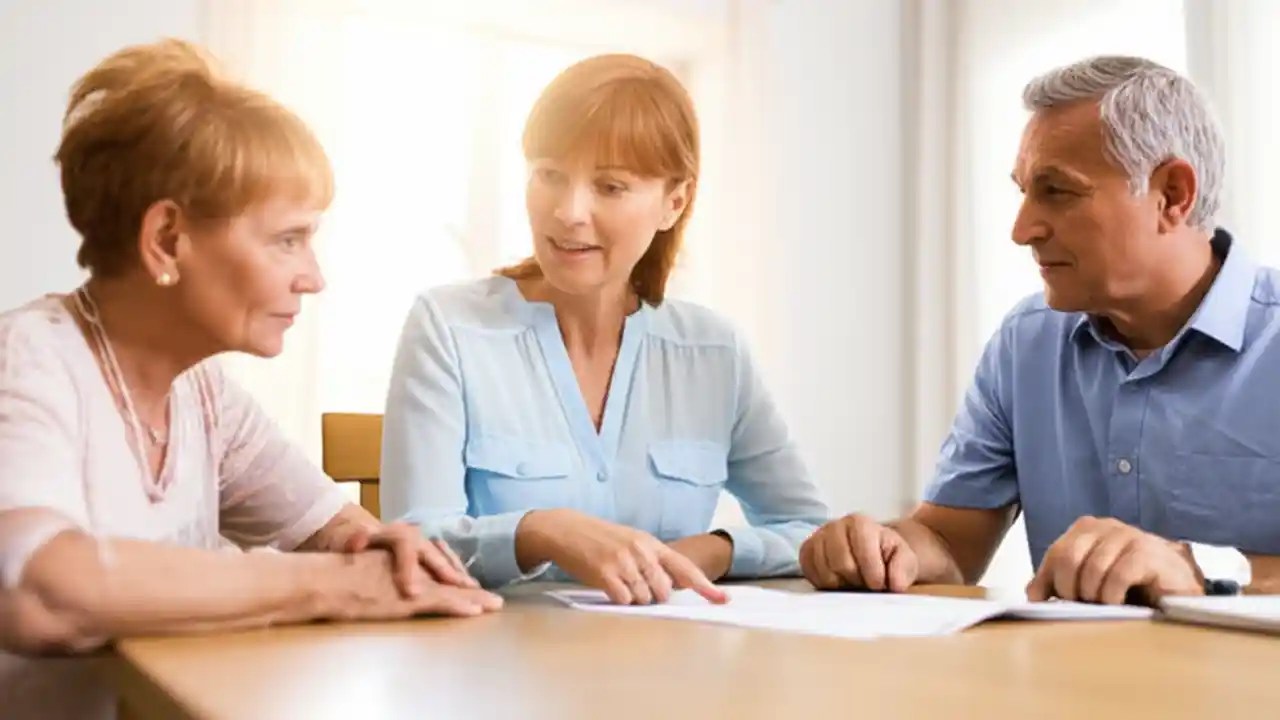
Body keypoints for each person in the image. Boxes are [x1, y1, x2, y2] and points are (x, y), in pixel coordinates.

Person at [0, 39, 501, 719]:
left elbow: (332, 528)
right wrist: (331, 586)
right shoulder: (29, 357)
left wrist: (375, 548)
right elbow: (37, 590)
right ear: (167, 240)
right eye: (287, 239)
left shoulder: (202, 396)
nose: (313, 276)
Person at [801, 55, 1280, 604]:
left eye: (1058, 191)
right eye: (1024, 191)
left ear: (1171, 195)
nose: (1022, 229)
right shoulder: (1026, 344)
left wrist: (1202, 569)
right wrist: (885, 549)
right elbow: (949, 543)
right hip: (1063, 685)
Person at [380, 54, 829, 605]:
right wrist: (542, 531)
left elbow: (807, 530)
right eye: (549, 175)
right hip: (492, 673)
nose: (568, 212)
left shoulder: (715, 352)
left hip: (666, 670)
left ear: (675, 201)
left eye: (610, 187)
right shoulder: (449, 327)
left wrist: (712, 549)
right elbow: (414, 543)